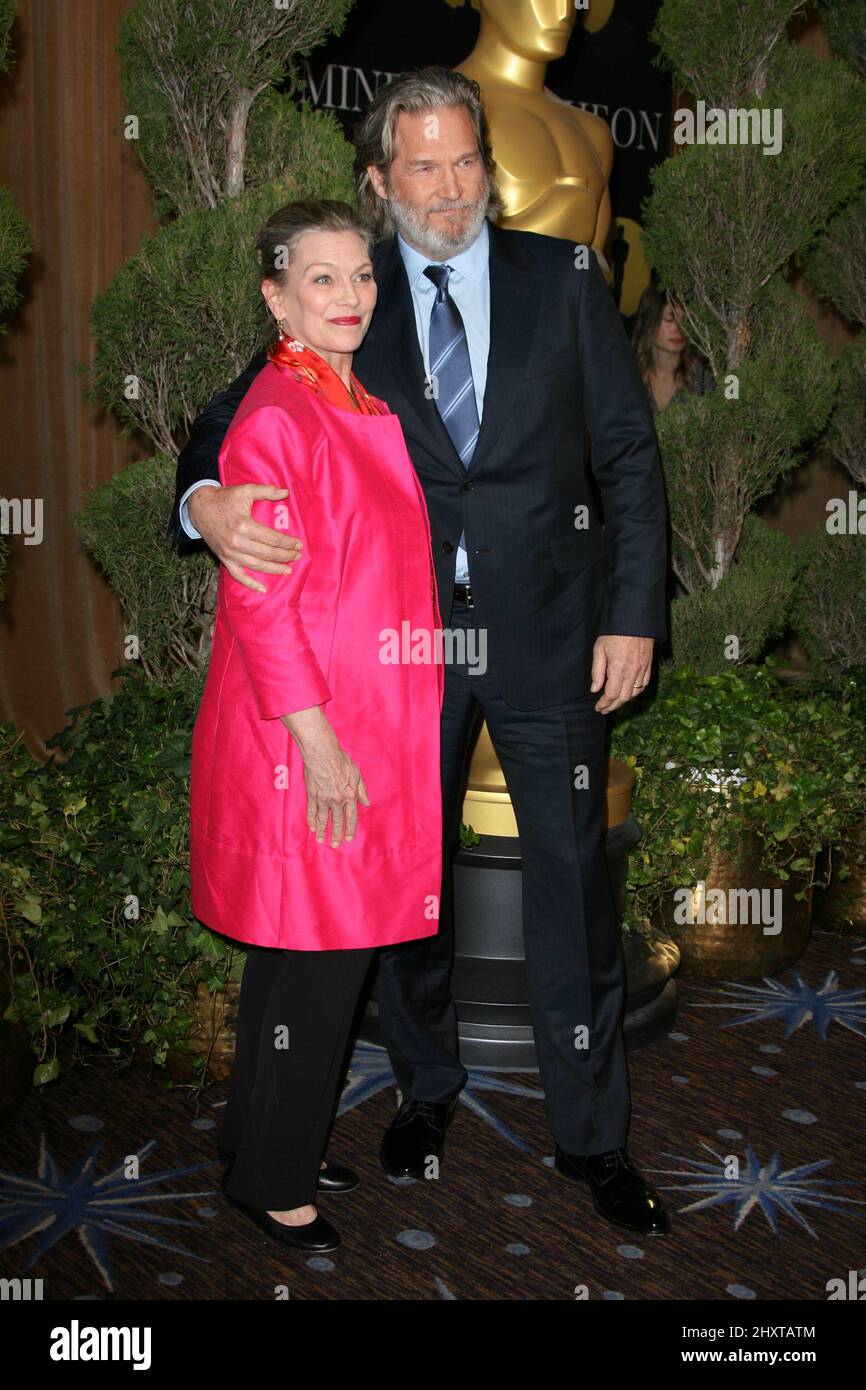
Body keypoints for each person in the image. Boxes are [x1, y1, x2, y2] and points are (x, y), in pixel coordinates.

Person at [172, 67, 671, 1237]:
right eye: (421, 167)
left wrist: (632, 612)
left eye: (464, 163)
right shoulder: (347, 287)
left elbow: (627, 459)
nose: (447, 190)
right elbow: (229, 419)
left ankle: (592, 1137)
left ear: (484, 166)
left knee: (571, 892)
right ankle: (424, 1088)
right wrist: (204, 501)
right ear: (378, 178)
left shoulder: (562, 277)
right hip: (398, 656)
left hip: (551, 631)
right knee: (403, 898)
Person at [189, 198, 444, 1254]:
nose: (348, 296)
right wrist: (320, 741)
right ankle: (273, 1180)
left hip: (357, 716)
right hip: (311, 733)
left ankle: (256, 1139)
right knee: (327, 956)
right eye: (321, 278)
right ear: (276, 295)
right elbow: (259, 600)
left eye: (359, 276)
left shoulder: (350, 398)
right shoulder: (278, 417)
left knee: (292, 956)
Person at [630, 279, 715, 417]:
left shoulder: (704, 377)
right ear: (649, 322)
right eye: (670, 319)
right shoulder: (628, 376)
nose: (679, 329)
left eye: (686, 321)